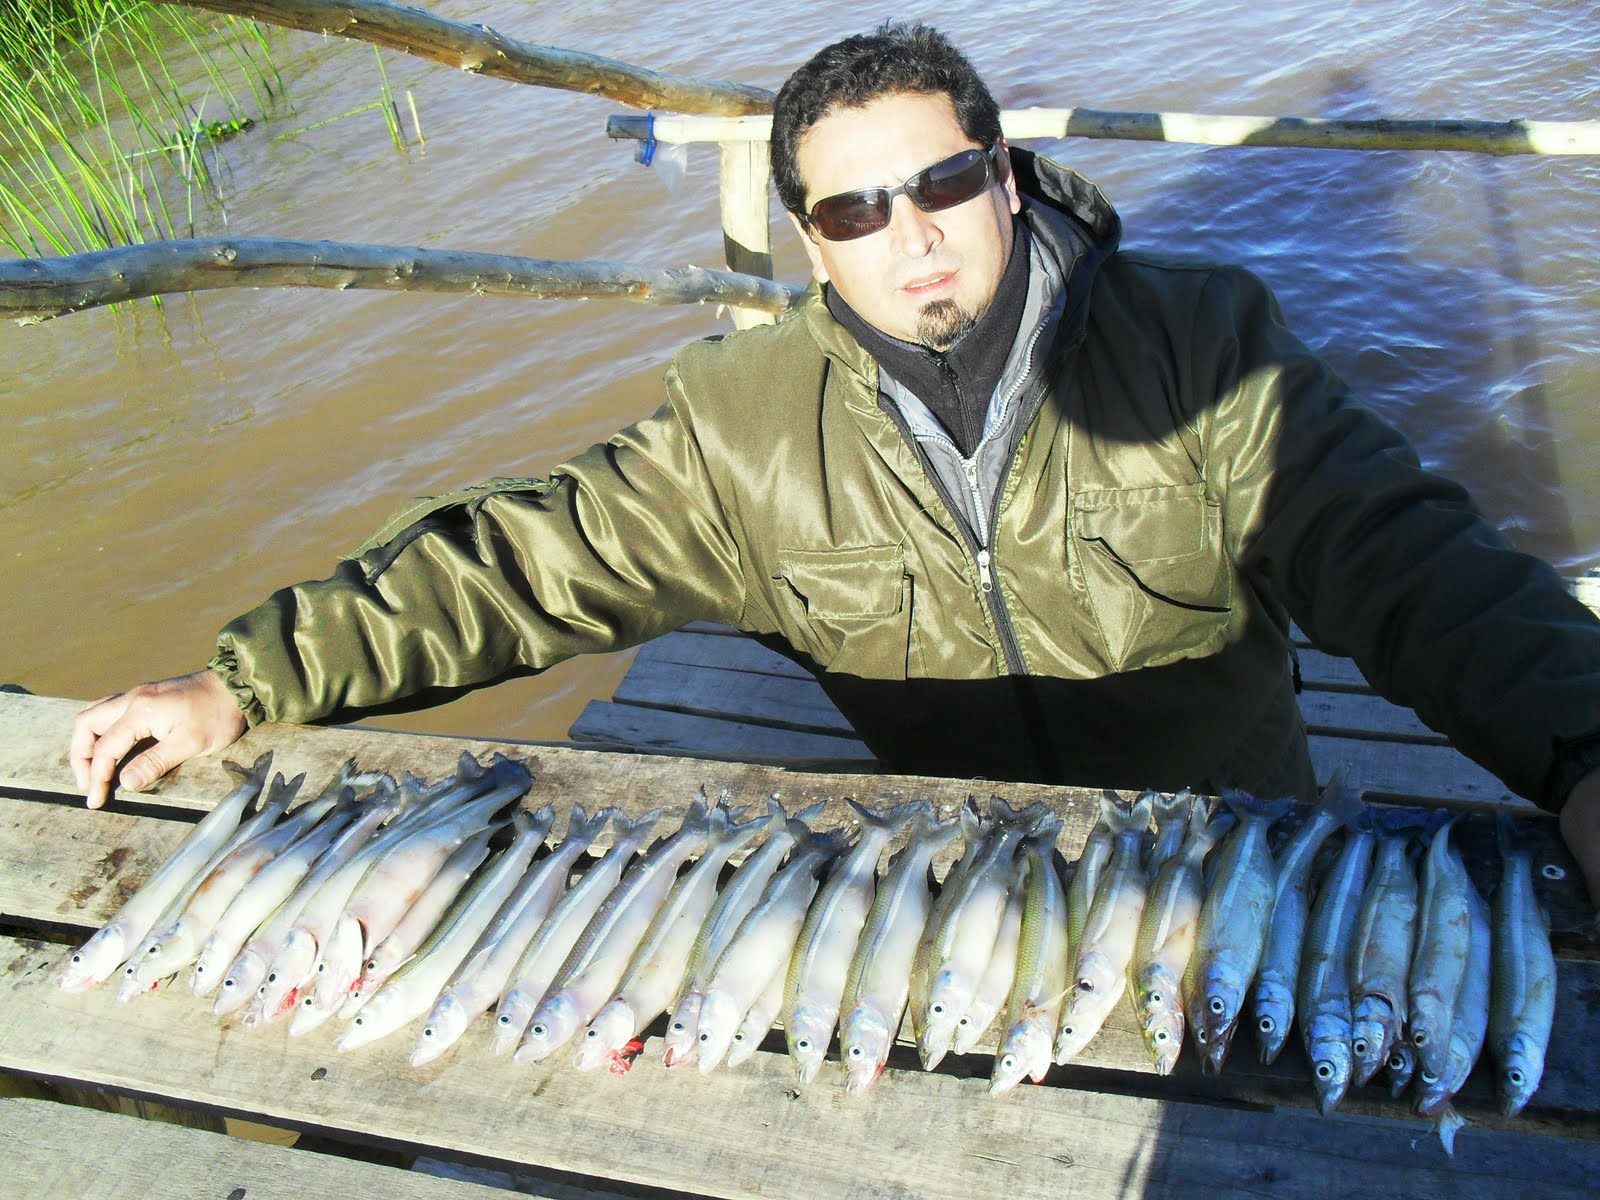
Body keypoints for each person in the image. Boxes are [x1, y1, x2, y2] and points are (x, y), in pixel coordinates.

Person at [71, 23, 1600, 909]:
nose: (911, 231)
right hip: (950, 872)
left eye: (941, 182)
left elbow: (1415, 568)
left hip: (1234, 849)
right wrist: (245, 682)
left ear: (1003, 180)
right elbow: (524, 562)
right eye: (856, 210)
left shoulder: (1200, 348)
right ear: (811, 238)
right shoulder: (740, 427)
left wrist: (1585, 749)